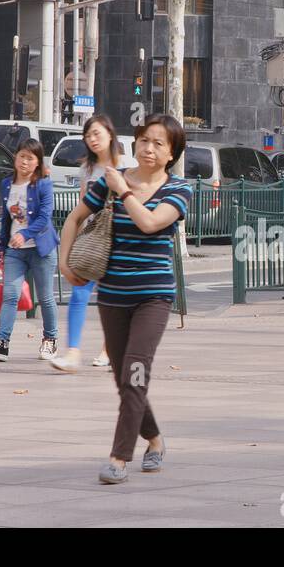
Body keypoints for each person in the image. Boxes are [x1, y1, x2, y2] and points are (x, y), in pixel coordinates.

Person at [59, 113, 192, 484]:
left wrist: (124, 192)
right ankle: (155, 439)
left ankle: (119, 457)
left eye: (158, 143)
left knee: (135, 373)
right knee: (124, 377)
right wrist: (65, 263)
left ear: (171, 153)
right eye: (144, 140)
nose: (148, 148)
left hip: (153, 297)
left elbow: (150, 223)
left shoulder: (178, 189)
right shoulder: (110, 181)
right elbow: (73, 219)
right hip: (113, 293)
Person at [51, 114, 137, 373]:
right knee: (79, 292)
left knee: (114, 298)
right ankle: (73, 352)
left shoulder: (127, 164)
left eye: (96, 134)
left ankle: (109, 349)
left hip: (119, 239)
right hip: (92, 239)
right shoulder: (87, 169)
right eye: (88, 136)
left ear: (110, 134)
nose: (92, 140)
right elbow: (81, 208)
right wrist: (76, 238)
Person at [0, 139, 60, 362]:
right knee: (10, 295)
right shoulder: (7, 184)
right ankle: (1, 343)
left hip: (41, 249)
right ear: (15, 158)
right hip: (15, 251)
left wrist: (24, 234)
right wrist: (3, 247)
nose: (25, 161)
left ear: (37, 163)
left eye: (31, 158)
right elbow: (6, 218)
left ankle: (50, 340)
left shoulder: (43, 184)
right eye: (22, 156)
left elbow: (44, 217)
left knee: (45, 297)